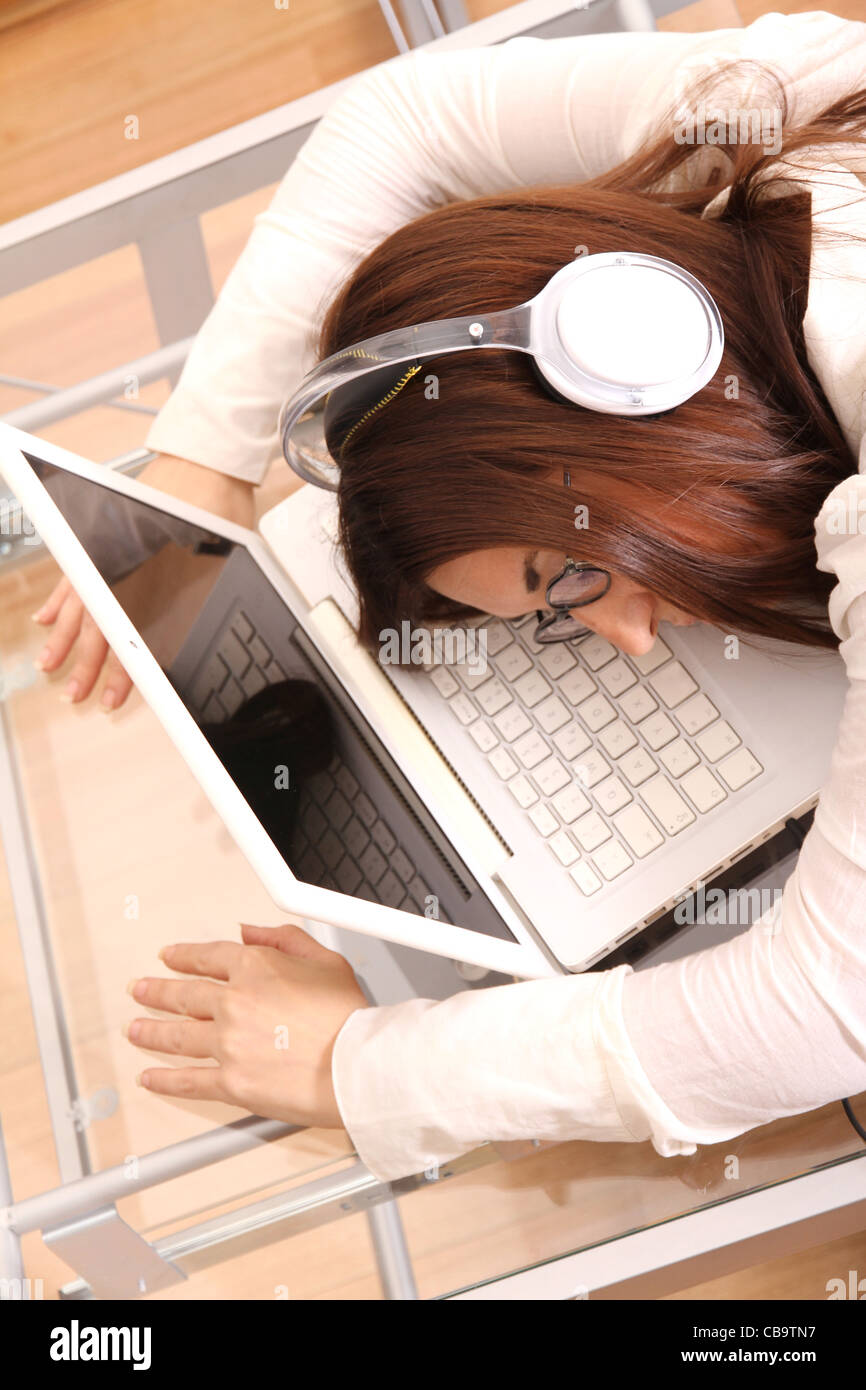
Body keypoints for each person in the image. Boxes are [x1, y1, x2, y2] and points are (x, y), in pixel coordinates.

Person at [33, 11, 866, 1182]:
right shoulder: (777, 109)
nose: (624, 639)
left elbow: (821, 1004)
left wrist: (357, 1065)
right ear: (628, 328)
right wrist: (197, 468)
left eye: (564, 574)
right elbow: (400, 120)